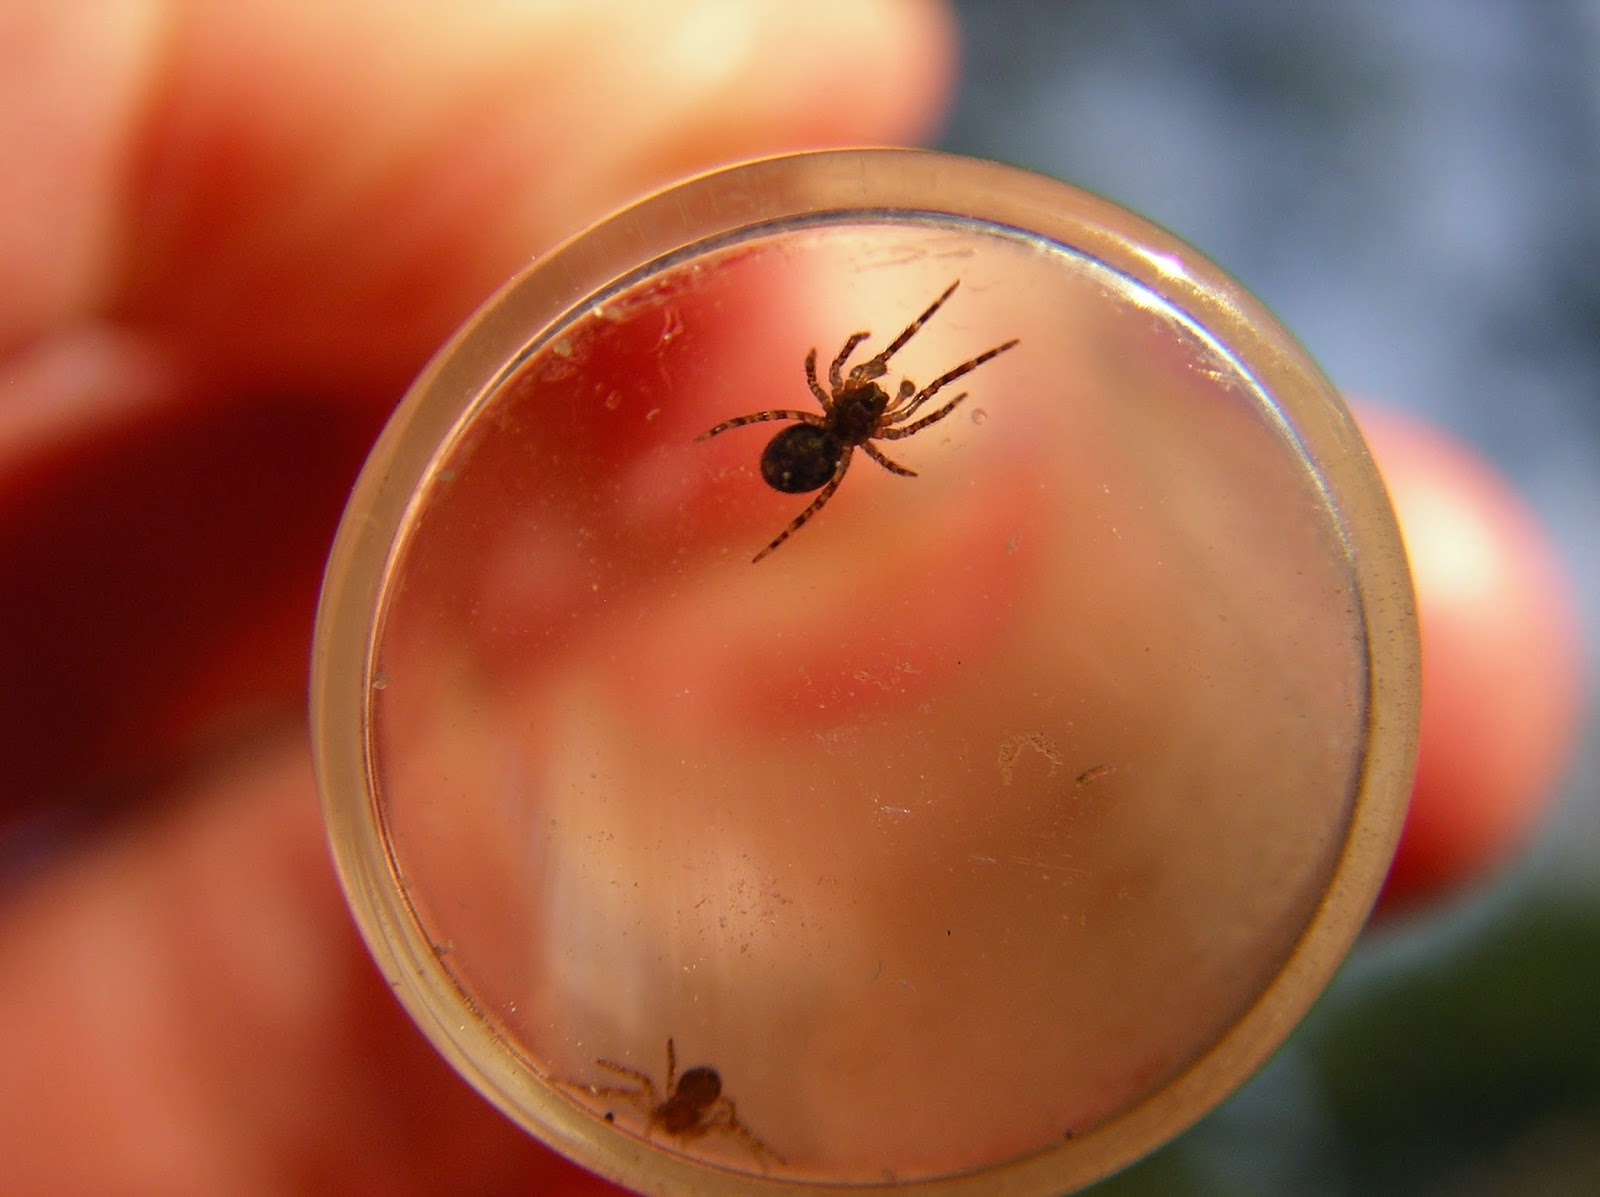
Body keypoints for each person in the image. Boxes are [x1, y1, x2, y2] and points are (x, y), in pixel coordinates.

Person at [0, 3, 1580, 1192]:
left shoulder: (834, 426)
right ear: (851, 412)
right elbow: (804, 423)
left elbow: (810, 424)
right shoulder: (834, 426)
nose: (870, 394)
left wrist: (838, 426)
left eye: (876, 397)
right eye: (872, 394)